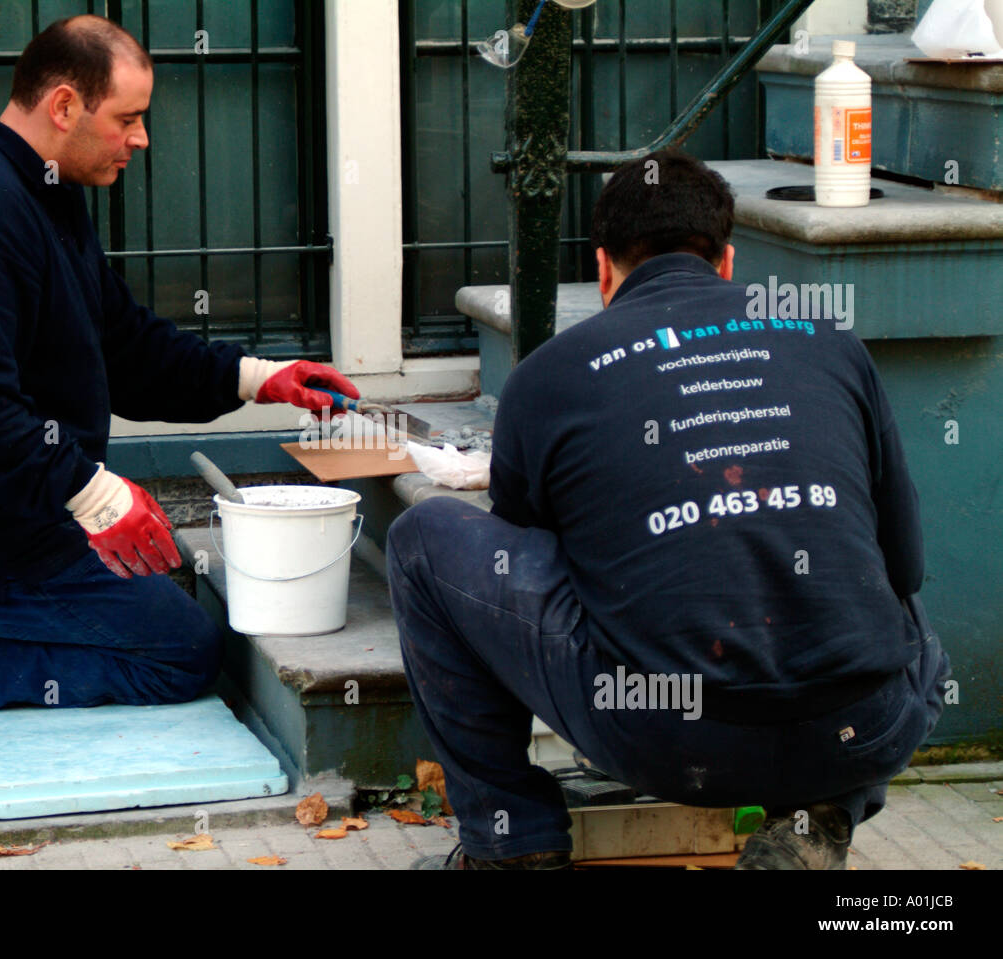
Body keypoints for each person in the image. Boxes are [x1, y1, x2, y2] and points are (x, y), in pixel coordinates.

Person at [386, 150, 951, 870]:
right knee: (905, 614)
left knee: (421, 538)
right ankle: (820, 817)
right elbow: (908, 562)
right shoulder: (829, 337)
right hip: (863, 724)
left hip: (665, 734)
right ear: (728, 262)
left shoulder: (550, 374)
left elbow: (528, 546)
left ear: (602, 269)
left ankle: (512, 842)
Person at [0, 15, 358, 746]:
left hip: (11, 511)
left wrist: (262, 377)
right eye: (127, 118)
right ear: (64, 106)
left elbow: (125, 350)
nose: (142, 139)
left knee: (170, 587)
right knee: (184, 652)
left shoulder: (41, 192)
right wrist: (95, 494)